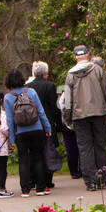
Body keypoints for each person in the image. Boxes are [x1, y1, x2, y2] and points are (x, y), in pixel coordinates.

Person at [62, 45, 106, 192]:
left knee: (85, 148)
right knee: (100, 145)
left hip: (79, 116)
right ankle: (103, 180)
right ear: (88, 54)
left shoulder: (70, 75)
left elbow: (67, 100)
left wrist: (67, 118)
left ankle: (91, 182)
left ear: (74, 57)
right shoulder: (98, 70)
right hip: (99, 113)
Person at [4, 68, 52, 196]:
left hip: (21, 132)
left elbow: (10, 120)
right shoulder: (31, 92)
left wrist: (12, 139)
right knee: (39, 158)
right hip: (37, 129)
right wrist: (47, 128)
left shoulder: (8, 97)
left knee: (23, 160)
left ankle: (25, 190)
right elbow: (41, 112)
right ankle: (40, 188)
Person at [27, 60, 62, 191]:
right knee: (48, 150)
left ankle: (33, 179)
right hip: (46, 121)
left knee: (34, 151)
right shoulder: (50, 86)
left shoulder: (28, 87)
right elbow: (54, 107)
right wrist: (59, 125)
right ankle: (47, 180)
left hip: (32, 121)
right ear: (45, 73)